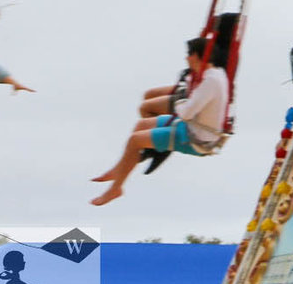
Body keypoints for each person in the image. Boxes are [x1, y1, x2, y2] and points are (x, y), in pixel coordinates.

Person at [89, 36, 227, 205]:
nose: (186, 58)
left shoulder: (210, 81)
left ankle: (115, 189)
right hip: (191, 127)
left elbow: (185, 113)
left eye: (189, 54)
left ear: (197, 56)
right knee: (141, 125)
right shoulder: (214, 74)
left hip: (195, 139)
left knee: (135, 141)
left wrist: (180, 102)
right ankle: (121, 168)